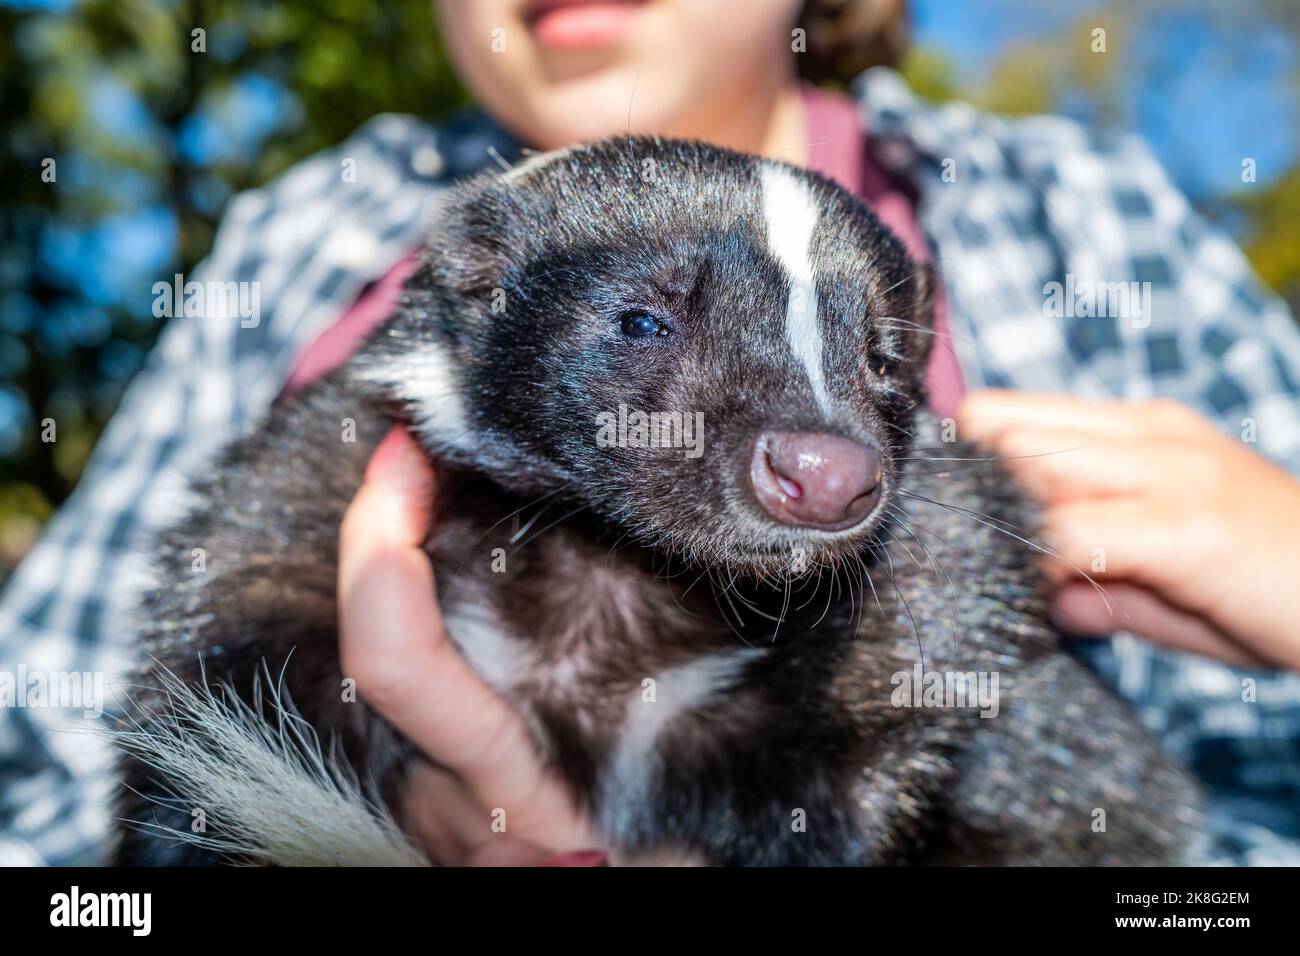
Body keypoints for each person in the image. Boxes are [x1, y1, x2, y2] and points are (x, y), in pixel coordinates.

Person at [3, 0, 1299, 866]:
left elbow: (1173, 820)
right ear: (479, 288)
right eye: (643, 324)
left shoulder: (1075, 210)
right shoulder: (307, 243)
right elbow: (48, 771)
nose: (830, 449)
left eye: (878, 365)